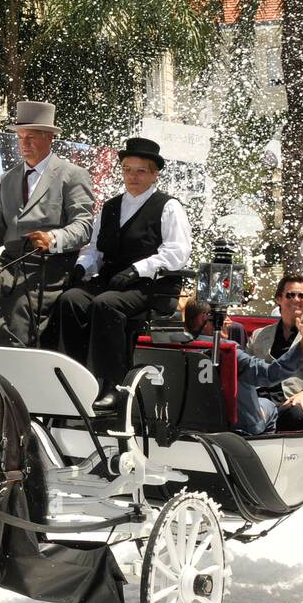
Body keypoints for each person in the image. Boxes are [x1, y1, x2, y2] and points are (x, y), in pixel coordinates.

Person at [46, 137, 192, 412]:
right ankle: (72, 378)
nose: (132, 176)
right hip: (113, 280)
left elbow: (177, 253)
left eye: (140, 171)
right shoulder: (111, 207)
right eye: (127, 169)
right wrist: (82, 266)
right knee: (71, 300)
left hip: (151, 286)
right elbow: (95, 250)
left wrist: (138, 269)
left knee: (106, 305)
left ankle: (112, 385)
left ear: (154, 174)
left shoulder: (167, 206)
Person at [0, 101, 95, 347]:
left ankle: (16, 364)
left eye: (31, 136)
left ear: (49, 138)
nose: (24, 143)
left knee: (19, 306)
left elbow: (83, 226)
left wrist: (52, 239)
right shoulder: (8, 179)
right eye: (20, 137)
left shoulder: (71, 175)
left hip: (48, 268)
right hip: (9, 264)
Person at [184, 300, 303, 435]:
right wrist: (302, 347)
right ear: (204, 318)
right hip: (237, 426)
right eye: (223, 316)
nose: (228, 321)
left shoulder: (174, 347)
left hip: (190, 422)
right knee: (269, 406)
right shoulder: (228, 351)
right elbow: (270, 374)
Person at [247, 275, 303, 431]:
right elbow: (246, 369)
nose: (297, 299)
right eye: (290, 295)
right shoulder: (258, 335)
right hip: (259, 397)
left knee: (296, 414)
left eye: (302, 296)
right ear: (278, 299)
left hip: (292, 399)